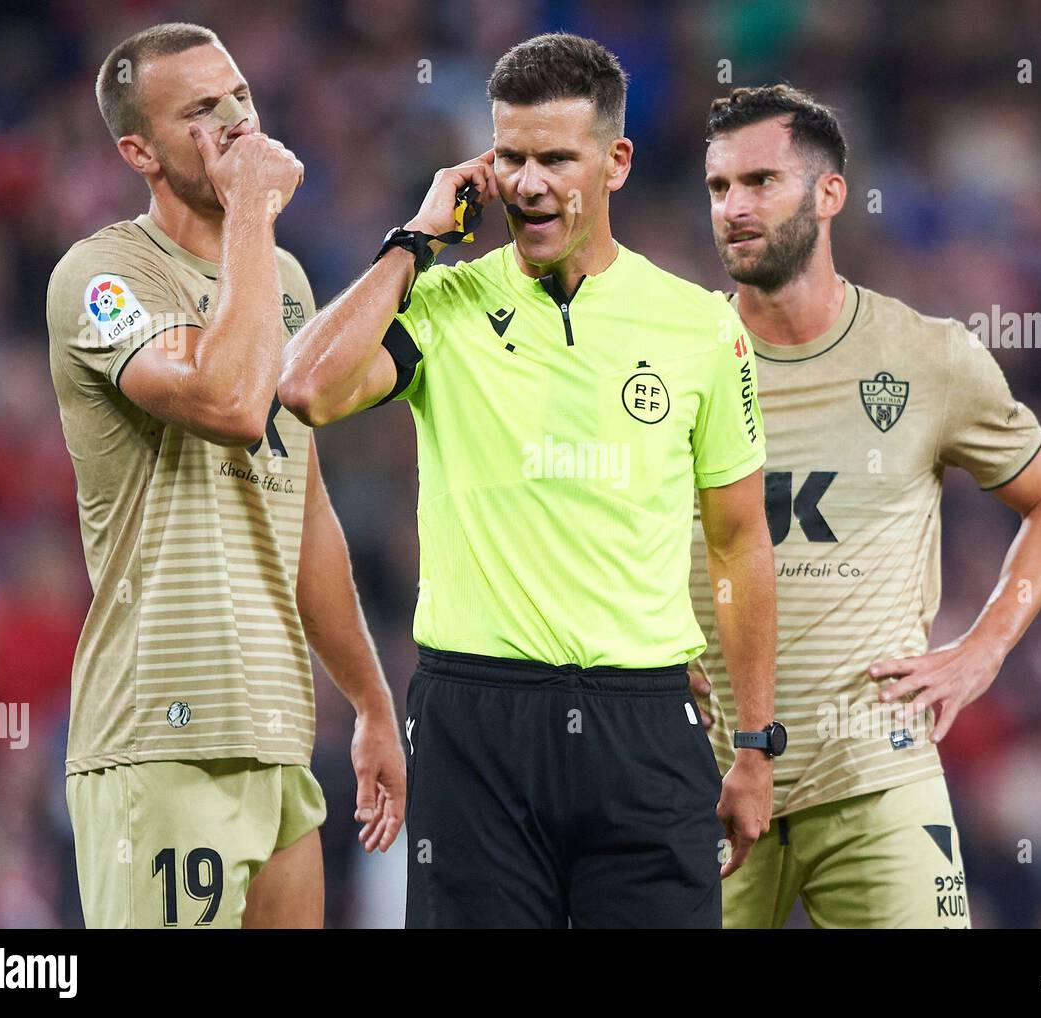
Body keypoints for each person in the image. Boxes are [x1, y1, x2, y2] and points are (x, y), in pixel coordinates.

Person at [278, 33, 777, 929]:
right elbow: (305, 386)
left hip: (645, 723)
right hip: (478, 727)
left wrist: (753, 745)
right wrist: (416, 237)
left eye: (556, 158)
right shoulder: (442, 306)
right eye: (510, 158)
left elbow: (739, 537)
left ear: (616, 161)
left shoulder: (703, 327)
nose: (530, 183)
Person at [690, 84, 1041, 928]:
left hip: (877, 775)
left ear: (829, 193)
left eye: (760, 180)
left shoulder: (928, 357)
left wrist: (983, 649)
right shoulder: (676, 359)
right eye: (720, 187)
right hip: (704, 781)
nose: (734, 207)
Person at [45, 22, 404, 928]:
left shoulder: (280, 279)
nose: (239, 123)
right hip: (165, 736)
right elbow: (230, 401)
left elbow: (304, 506)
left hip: (276, 733)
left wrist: (367, 699)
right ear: (140, 151)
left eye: (240, 97)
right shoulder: (101, 276)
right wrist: (250, 208)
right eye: (203, 113)